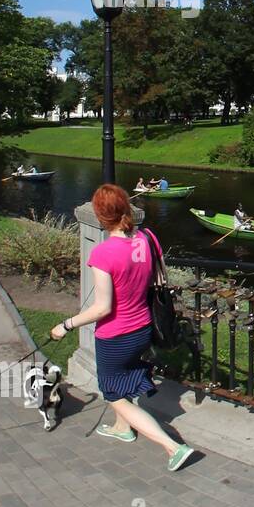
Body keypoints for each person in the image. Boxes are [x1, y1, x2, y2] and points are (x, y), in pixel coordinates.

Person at [52, 182, 198, 471]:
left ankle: (173, 447)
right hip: (144, 328)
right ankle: (122, 428)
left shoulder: (104, 254)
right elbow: (157, 281)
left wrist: (65, 325)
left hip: (116, 335)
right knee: (125, 377)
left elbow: (102, 308)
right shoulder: (146, 238)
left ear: (100, 216)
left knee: (114, 394)